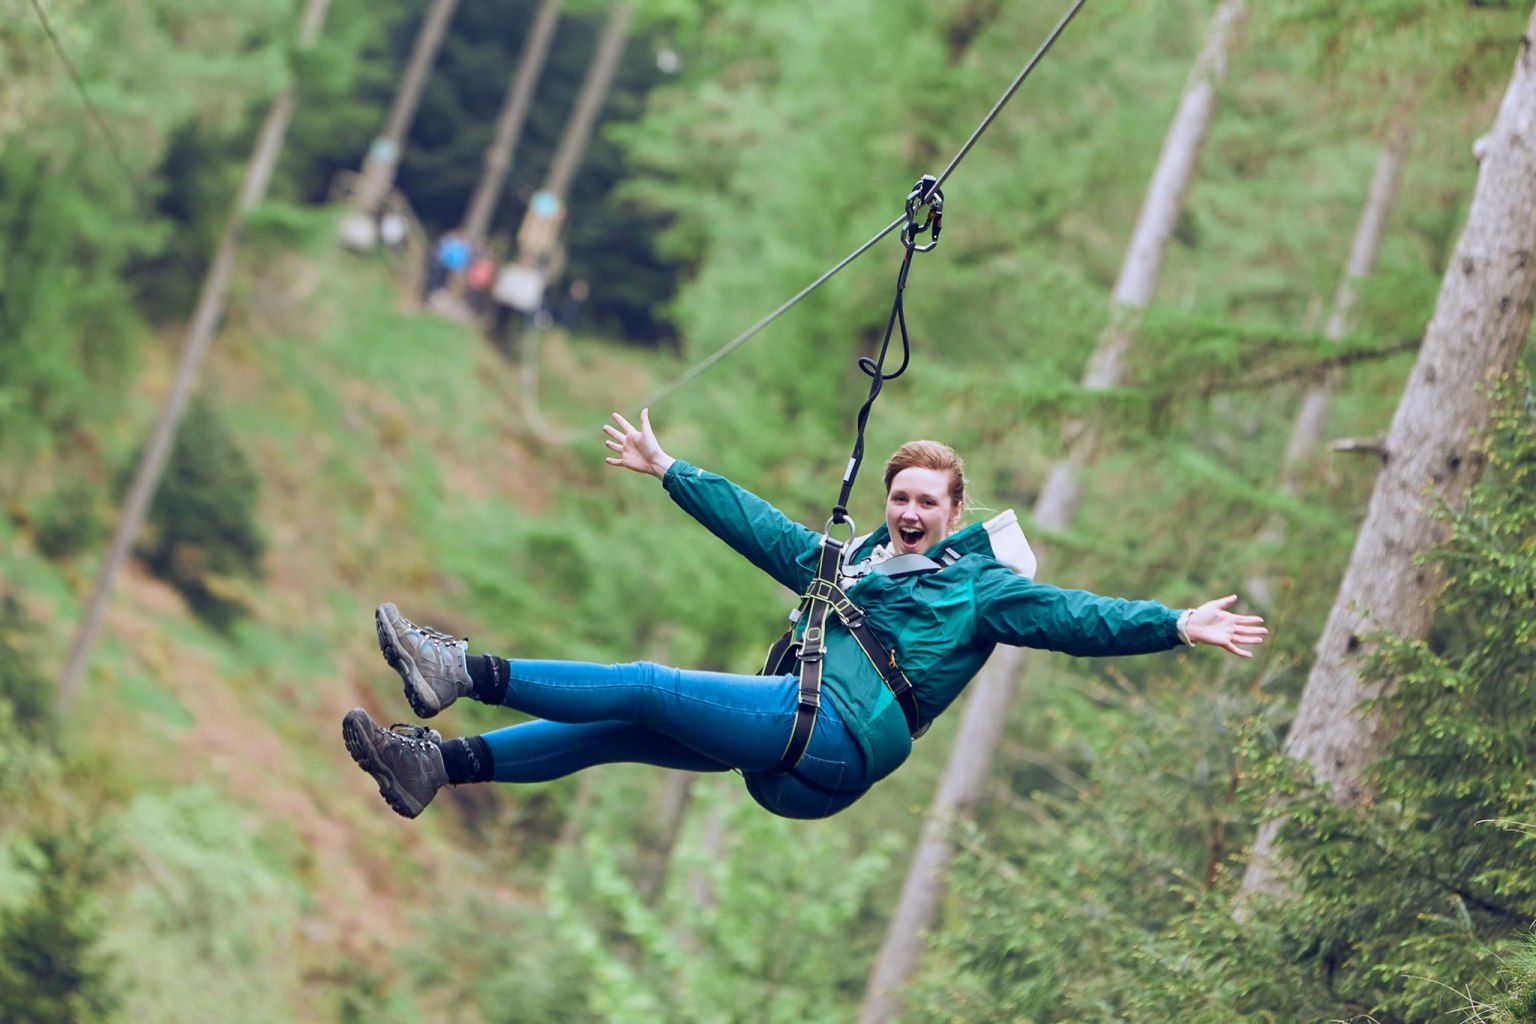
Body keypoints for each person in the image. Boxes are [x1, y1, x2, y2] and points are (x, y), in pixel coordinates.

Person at [343, 410, 1267, 821]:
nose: (908, 512)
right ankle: (437, 768)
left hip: (834, 741)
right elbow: (770, 534)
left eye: (927, 503)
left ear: (955, 511)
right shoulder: (855, 562)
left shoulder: (979, 589)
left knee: (649, 686)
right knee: (621, 725)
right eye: (900, 496)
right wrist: (673, 472)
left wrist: (1175, 623)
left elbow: (1075, 616)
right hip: (795, 737)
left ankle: (461, 672)